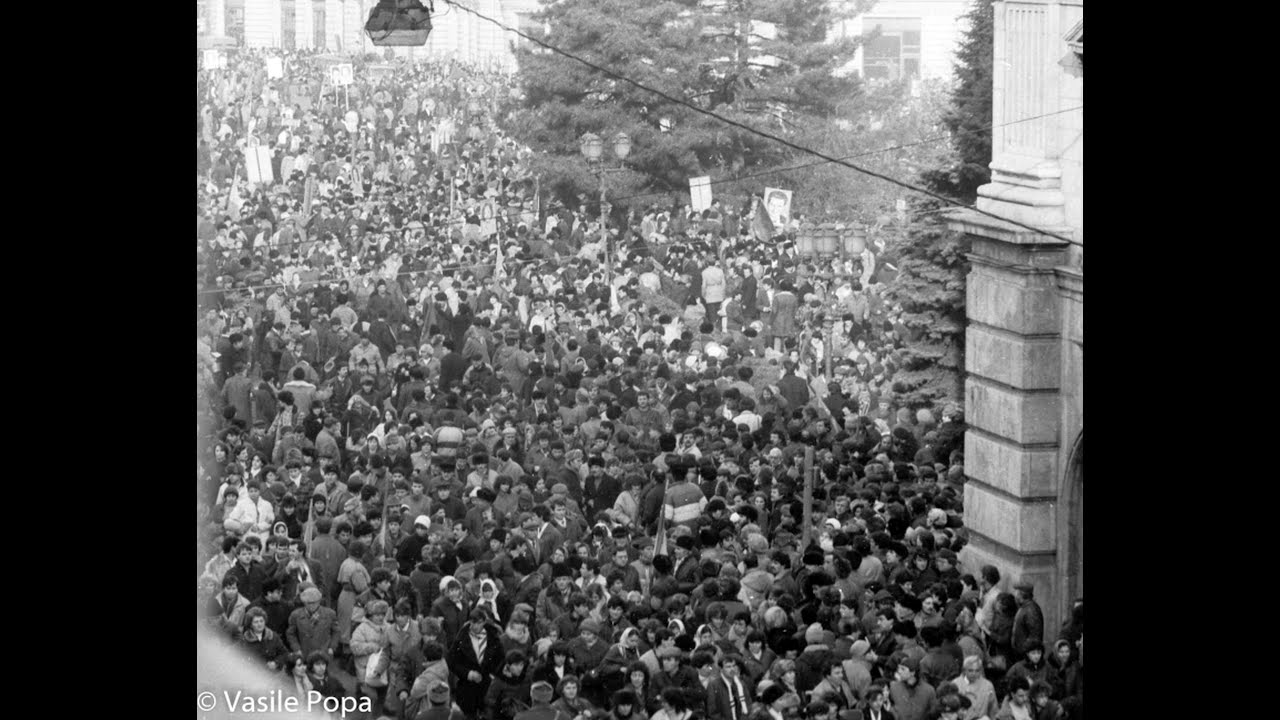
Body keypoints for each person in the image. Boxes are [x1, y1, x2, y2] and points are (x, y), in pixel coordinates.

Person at [451, 609, 507, 716]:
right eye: (473, 623)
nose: (476, 626)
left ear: (484, 622)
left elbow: (500, 659)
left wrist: (493, 674)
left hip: (487, 686)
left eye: (479, 623)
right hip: (466, 687)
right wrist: (468, 674)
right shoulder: (462, 638)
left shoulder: (493, 637)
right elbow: (452, 662)